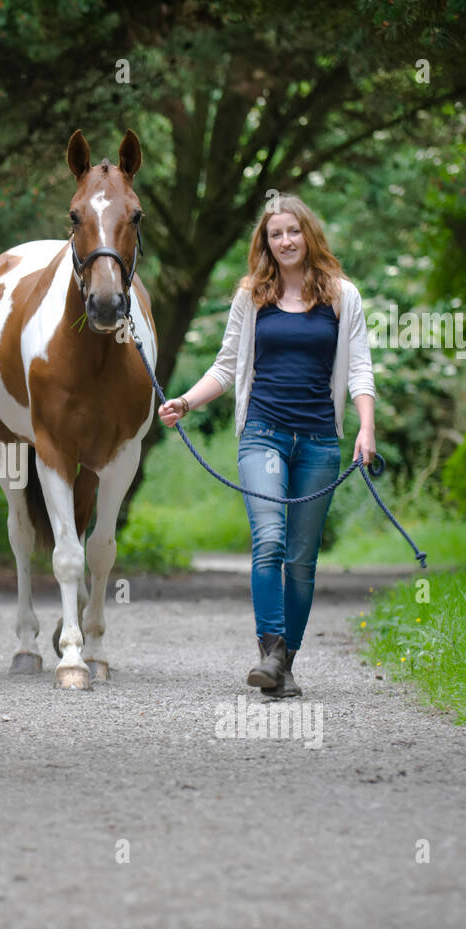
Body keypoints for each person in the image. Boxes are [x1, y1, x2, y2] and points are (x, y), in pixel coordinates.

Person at [159, 194, 376, 697]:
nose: (285, 241)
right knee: (269, 542)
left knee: (302, 560)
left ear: (309, 235)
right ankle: (271, 654)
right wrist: (186, 402)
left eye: (293, 231)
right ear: (266, 242)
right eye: (275, 234)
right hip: (263, 435)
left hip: (321, 442)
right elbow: (225, 366)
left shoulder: (343, 296)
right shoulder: (251, 296)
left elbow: (360, 368)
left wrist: (365, 428)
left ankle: (285, 663)